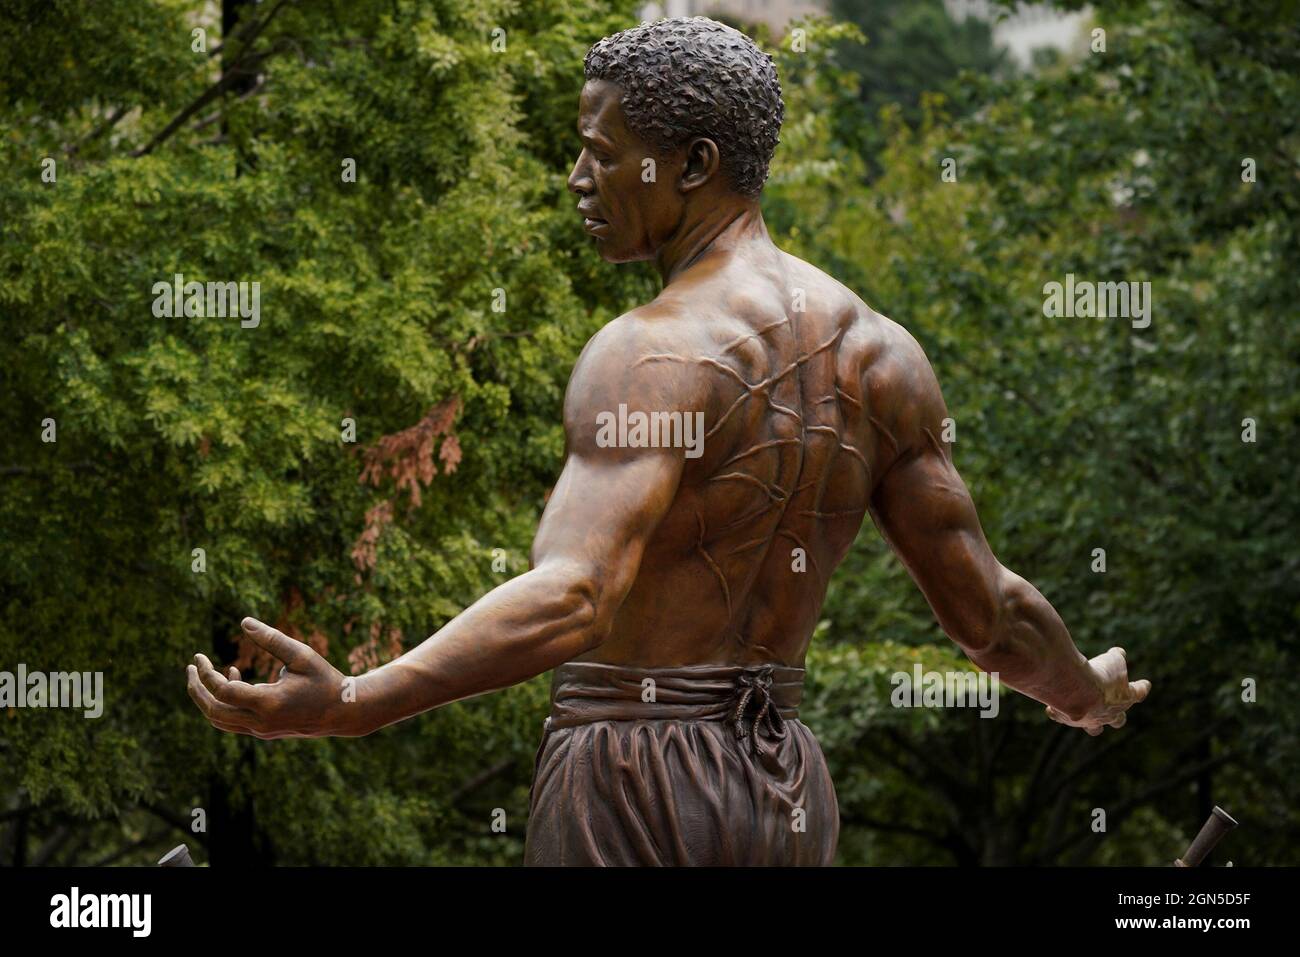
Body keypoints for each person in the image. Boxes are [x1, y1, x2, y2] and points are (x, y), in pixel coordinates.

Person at [186, 16, 1151, 866]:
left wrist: (356, 701)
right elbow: (990, 613)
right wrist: (1081, 691)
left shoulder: (649, 351)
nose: (577, 180)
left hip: (629, 775)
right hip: (787, 786)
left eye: (602, 154)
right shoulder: (883, 357)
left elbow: (576, 596)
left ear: (690, 166)